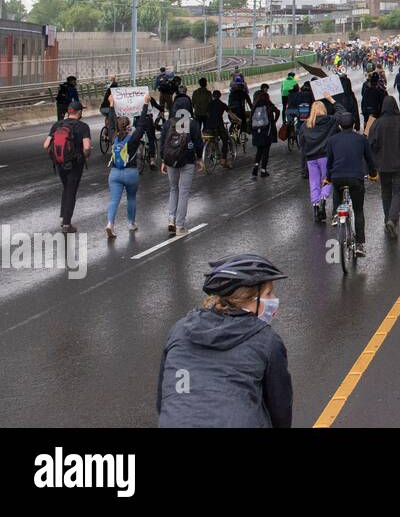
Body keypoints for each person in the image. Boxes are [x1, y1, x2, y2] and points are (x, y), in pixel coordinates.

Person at [157, 254, 292, 428]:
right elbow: (279, 408)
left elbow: (164, 399)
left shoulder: (179, 330)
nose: (274, 299)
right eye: (268, 293)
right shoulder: (267, 341)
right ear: (249, 299)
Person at [324, 111, 378, 255]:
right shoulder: (361, 140)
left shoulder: (332, 140)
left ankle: (336, 214)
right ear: (354, 124)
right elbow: (369, 160)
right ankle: (360, 244)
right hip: (356, 178)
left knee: (336, 190)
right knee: (358, 211)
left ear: (340, 126)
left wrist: (328, 178)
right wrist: (373, 174)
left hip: (337, 177)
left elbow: (329, 163)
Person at [368, 96, 400, 238]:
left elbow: (370, 144)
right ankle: (392, 219)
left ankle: (387, 218)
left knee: (386, 191)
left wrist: (370, 166)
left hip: (383, 165)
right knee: (398, 192)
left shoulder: (376, 124)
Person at [44, 99, 92, 233]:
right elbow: (87, 147)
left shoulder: (57, 125)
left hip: (59, 163)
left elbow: (46, 145)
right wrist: (85, 155)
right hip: (75, 165)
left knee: (66, 188)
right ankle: (66, 224)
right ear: (79, 112)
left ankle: (62, 216)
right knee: (71, 191)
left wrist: (56, 156)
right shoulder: (83, 126)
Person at [160, 101, 205, 236]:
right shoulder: (192, 123)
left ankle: (171, 219)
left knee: (173, 189)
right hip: (188, 160)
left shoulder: (168, 123)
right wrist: (199, 159)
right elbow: (198, 142)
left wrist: (163, 160)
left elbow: (162, 143)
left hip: (170, 160)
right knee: (183, 192)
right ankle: (180, 226)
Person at [299, 99, 344, 222]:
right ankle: (323, 200)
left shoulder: (305, 125)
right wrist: (332, 100)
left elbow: (301, 143)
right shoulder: (330, 121)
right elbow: (341, 113)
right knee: (327, 179)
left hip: (311, 158)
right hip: (326, 156)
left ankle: (315, 207)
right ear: (324, 110)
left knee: (313, 182)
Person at [105, 115, 144, 239]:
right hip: (131, 173)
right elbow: (141, 125)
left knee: (114, 200)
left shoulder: (113, 137)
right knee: (131, 198)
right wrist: (144, 104)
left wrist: (111, 106)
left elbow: (110, 124)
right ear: (128, 127)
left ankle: (110, 224)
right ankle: (131, 223)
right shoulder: (133, 139)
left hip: (115, 173)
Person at [248, 88, 279, 178]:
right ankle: (263, 170)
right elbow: (277, 112)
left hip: (256, 132)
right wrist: (274, 121)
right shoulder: (268, 104)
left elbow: (250, 120)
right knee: (265, 151)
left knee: (259, 150)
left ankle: (256, 166)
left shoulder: (255, 106)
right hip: (266, 131)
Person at [203, 88, 237, 169]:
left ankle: (214, 150)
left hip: (208, 126)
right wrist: (238, 120)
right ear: (220, 96)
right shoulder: (222, 104)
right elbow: (231, 115)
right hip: (219, 125)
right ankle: (223, 160)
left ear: (212, 96)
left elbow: (208, 114)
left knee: (212, 138)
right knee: (225, 141)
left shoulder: (209, 104)